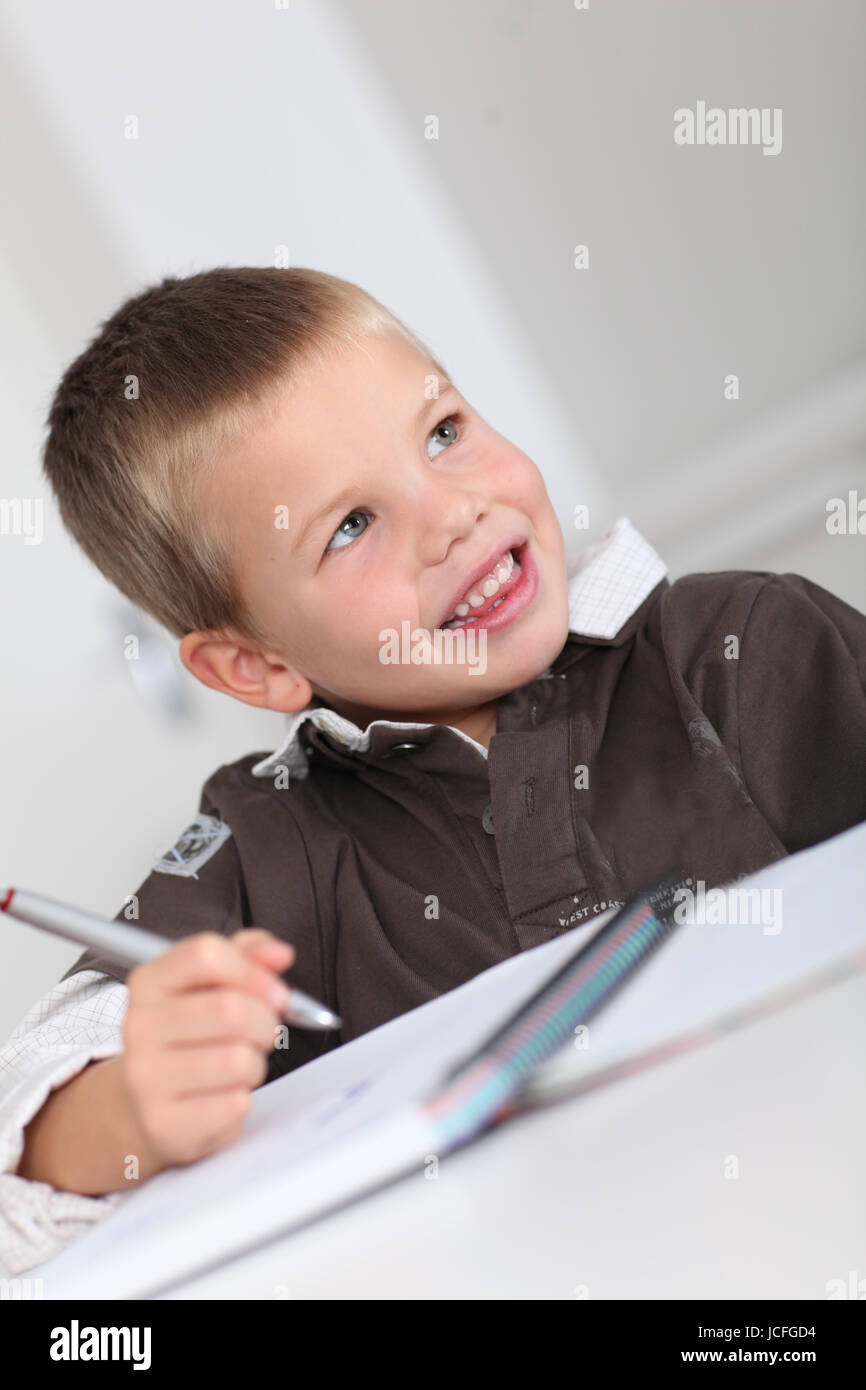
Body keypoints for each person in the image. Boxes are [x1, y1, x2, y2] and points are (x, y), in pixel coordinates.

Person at [2, 266, 865, 1276]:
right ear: (258, 665)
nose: (450, 514)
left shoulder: (742, 645)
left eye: (443, 431)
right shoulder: (269, 839)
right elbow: (48, 1078)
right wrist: (126, 1106)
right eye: (352, 526)